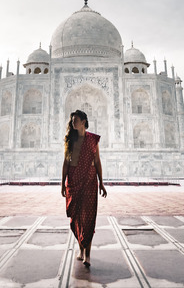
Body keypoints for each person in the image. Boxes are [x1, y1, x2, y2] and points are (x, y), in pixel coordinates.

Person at [61, 109, 107, 267]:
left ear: (83, 122)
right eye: (72, 120)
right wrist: (62, 184)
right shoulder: (70, 140)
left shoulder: (93, 139)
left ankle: (87, 254)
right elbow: (66, 163)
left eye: (76, 120)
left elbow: (98, 161)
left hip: (89, 182)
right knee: (76, 218)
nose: (73, 122)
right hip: (73, 181)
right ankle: (81, 249)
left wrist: (101, 182)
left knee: (88, 218)